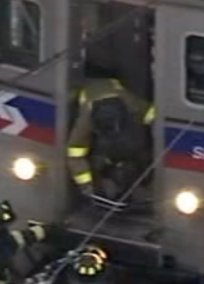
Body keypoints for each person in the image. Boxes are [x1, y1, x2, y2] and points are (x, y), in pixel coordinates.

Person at [65, 58, 157, 207]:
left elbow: (151, 114)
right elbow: (74, 154)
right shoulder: (86, 117)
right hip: (93, 87)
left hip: (110, 88)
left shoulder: (129, 103)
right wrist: (87, 186)